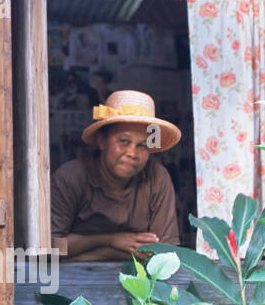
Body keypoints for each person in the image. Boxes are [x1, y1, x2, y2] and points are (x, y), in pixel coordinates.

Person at [51, 89, 181, 262]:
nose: (132, 153)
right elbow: (50, 248)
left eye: (142, 145)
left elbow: (165, 254)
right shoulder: (71, 177)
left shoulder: (157, 178)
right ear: (101, 141)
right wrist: (111, 239)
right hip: (70, 283)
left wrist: (101, 253)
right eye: (124, 141)